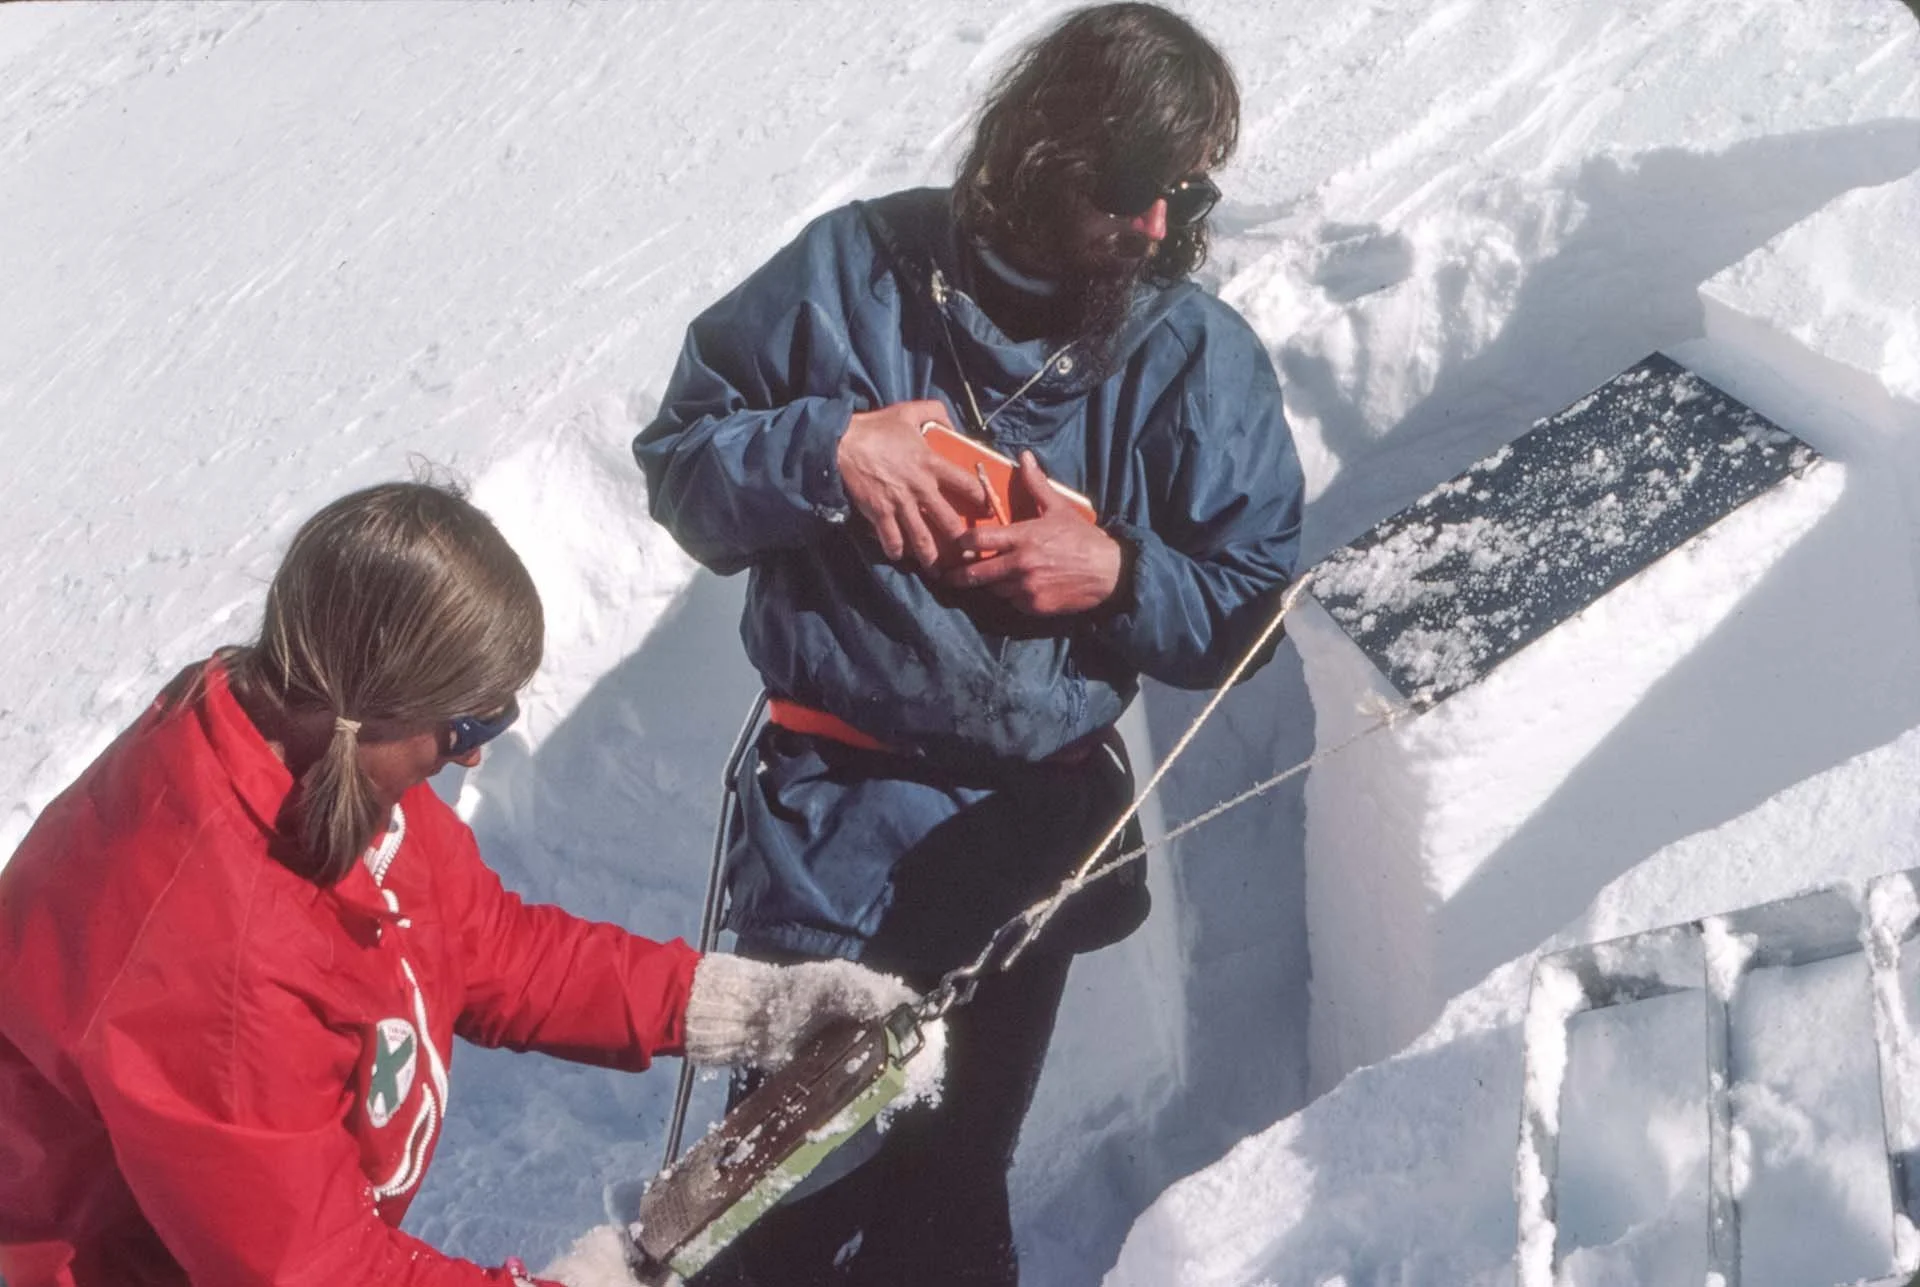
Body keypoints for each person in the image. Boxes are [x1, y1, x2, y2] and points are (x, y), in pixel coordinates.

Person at [634, 3, 1304, 1282]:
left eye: (1183, 190)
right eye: (1127, 187)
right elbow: (679, 468)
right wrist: (826, 448)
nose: (1158, 225)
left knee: (947, 1181)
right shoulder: (854, 271)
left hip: (1029, 834)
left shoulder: (1189, 354)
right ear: (1046, 152)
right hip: (835, 813)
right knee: (782, 1183)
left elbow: (1254, 607)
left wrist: (1118, 573)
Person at [0, 481, 913, 1287]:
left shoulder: (318, 751)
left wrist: (744, 1007)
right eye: (466, 720)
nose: (477, 750)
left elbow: (488, 946)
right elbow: (311, 1272)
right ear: (374, 697)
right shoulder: (217, 957)